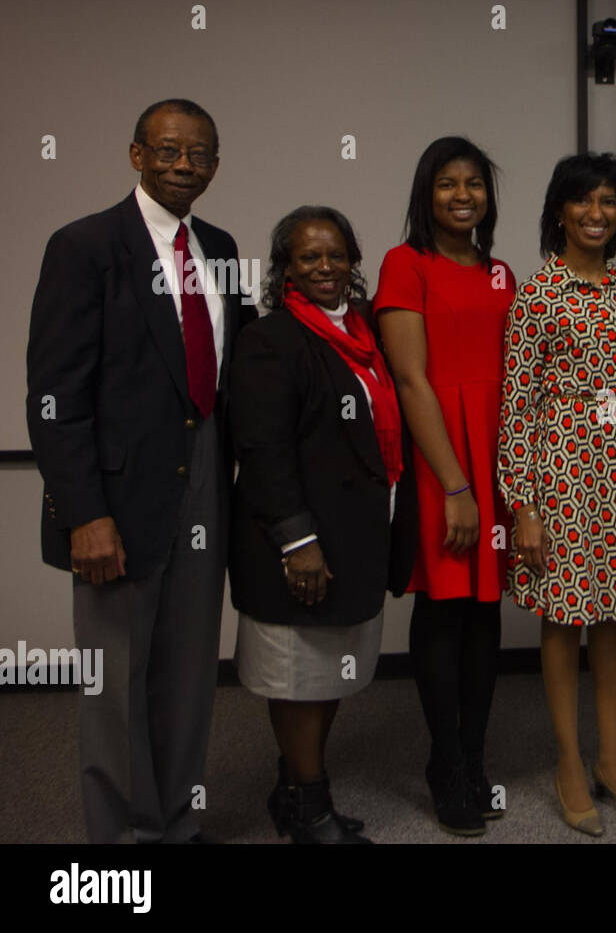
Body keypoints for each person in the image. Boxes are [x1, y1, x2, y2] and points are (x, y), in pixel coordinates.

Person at [26, 99, 242, 843]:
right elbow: (54, 395)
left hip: (207, 483)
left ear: (216, 165)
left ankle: (175, 826)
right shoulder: (84, 246)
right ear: (136, 155)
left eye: (200, 154)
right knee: (115, 686)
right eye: (170, 150)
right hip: (114, 501)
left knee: (186, 679)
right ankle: (124, 846)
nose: (185, 164)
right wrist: (82, 512)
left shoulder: (220, 247)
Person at [500, 152, 616, 837]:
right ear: (560, 211)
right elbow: (517, 405)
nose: (596, 214)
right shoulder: (538, 293)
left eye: (608, 203)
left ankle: (611, 758)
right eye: (583, 201)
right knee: (562, 617)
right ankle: (568, 762)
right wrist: (525, 505)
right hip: (560, 470)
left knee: (611, 617)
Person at [229, 206, 404, 844]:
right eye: (309, 257)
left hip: (353, 539)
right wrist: (297, 541)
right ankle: (309, 809)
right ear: (286, 269)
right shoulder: (271, 338)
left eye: (336, 255)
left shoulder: (362, 332)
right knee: (300, 681)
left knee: (327, 675)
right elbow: (263, 449)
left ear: (353, 261)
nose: (325, 267)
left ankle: (294, 789)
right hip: (298, 547)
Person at [375, 137, 515, 837]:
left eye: (474, 184)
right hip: (445, 462)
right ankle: (444, 762)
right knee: (445, 607)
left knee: (486, 608)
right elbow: (409, 379)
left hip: (496, 451)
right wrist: (456, 485)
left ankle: (475, 757)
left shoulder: (500, 272)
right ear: (425, 194)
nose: (463, 195)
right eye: (447, 184)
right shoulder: (407, 264)